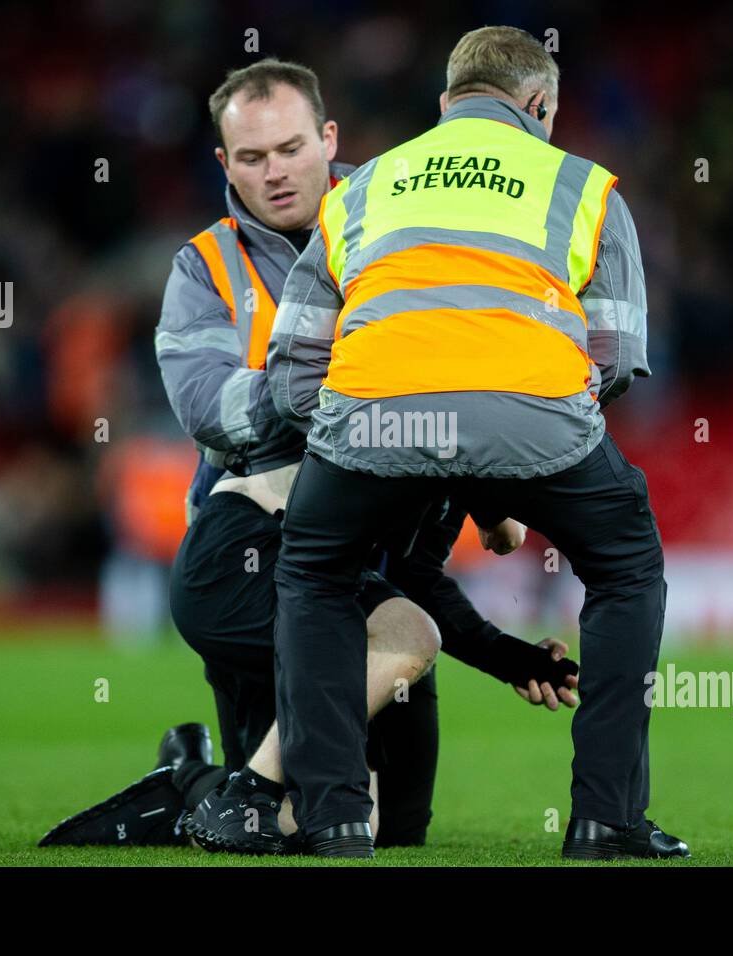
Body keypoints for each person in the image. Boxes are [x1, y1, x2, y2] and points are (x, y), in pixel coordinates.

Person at [39, 58, 580, 853]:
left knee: (396, 827)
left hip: (367, 567)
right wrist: (353, 390)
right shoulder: (204, 270)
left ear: (329, 139)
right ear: (224, 164)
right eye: (251, 159)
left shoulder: (402, 223)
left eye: (291, 148)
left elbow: (425, 536)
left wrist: (505, 640)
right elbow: (210, 413)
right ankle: (232, 788)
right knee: (321, 812)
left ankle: (194, 782)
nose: (276, 172)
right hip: (253, 557)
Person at [267, 26, 690, 859]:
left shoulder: (363, 187)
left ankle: (337, 818)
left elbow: (296, 357)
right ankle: (605, 820)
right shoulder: (587, 185)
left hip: (371, 415)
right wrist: (502, 465)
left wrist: (360, 440)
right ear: (539, 106)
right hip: (535, 414)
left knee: (313, 572)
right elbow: (615, 359)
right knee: (626, 567)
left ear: (445, 105)